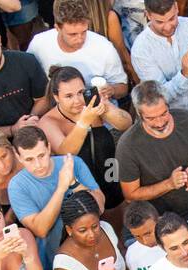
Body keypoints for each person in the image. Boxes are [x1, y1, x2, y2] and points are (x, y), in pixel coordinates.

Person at [117, 80, 188, 240]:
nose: (160, 122)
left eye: (164, 113)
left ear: (168, 105)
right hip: (159, 222)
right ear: (139, 114)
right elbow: (130, 194)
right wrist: (169, 184)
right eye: (151, 118)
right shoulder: (127, 146)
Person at [38, 67, 132, 217]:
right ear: (56, 97)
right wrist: (83, 123)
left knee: (120, 218)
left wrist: (107, 108)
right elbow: (65, 152)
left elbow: (125, 123)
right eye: (68, 96)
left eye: (80, 93)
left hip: (110, 171)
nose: (77, 101)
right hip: (82, 187)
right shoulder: (49, 121)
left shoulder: (91, 104)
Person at [9, 124, 104, 262]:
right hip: (57, 258)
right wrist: (61, 188)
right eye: (29, 159)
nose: (38, 164)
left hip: (95, 250)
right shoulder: (17, 186)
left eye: (41, 155)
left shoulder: (73, 163)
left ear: (48, 147)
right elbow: (40, 230)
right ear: (18, 157)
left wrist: (74, 183)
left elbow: (100, 207)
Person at [131, 0, 188, 138]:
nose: (167, 27)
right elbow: (160, 97)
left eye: (172, 18)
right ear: (147, 15)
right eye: (160, 22)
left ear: (176, 7)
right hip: (168, 126)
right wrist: (184, 74)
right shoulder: (141, 49)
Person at [28, 0, 128, 103]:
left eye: (84, 32)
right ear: (57, 28)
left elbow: (123, 87)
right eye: (73, 34)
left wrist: (112, 90)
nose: (80, 39)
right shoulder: (39, 44)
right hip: (55, 109)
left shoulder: (104, 47)